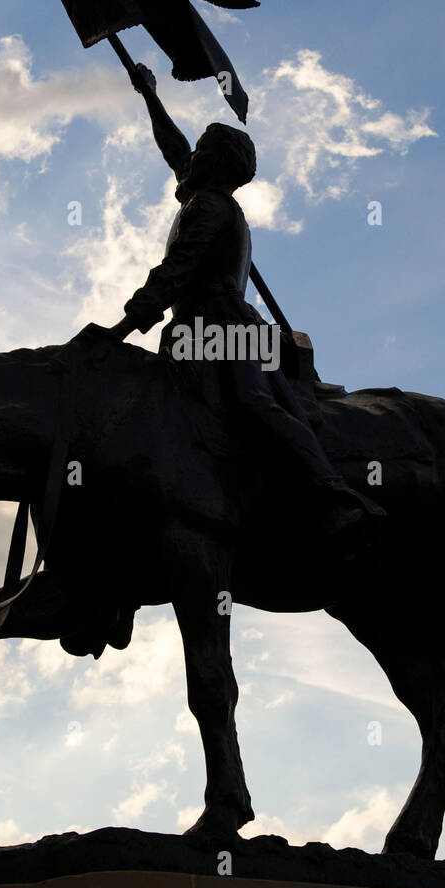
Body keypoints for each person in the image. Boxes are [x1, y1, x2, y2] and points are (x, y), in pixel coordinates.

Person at [109, 63, 383, 549]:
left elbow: (176, 272)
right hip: (195, 330)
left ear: (215, 164)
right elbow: (173, 146)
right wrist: (148, 94)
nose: (190, 154)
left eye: (201, 151)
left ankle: (333, 493)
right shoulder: (202, 193)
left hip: (227, 327)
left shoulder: (210, 206)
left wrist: (121, 329)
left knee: (252, 402)